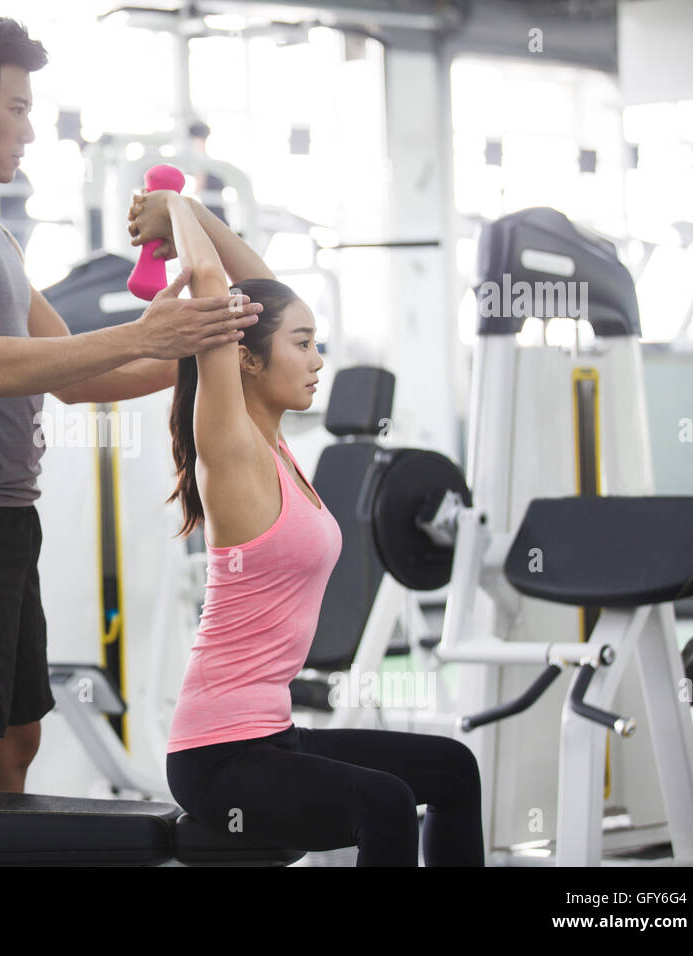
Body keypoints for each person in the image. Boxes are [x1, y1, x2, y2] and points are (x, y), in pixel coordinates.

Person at [0, 12, 263, 867]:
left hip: (3, 517)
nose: (30, 131)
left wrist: (204, 351)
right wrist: (147, 333)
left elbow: (73, 376)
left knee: (13, 745)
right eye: (17, 109)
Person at [128, 188, 485, 866]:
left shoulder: (280, 449)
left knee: (452, 768)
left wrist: (196, 215)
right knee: (383, 802)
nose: (319, 359)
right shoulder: (232, 448)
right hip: (217, 756)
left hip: (273, 735)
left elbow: (264, 295)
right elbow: (216, 290)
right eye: (303, 344)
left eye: (316, 341)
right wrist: (174, 206)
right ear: (247, 359)